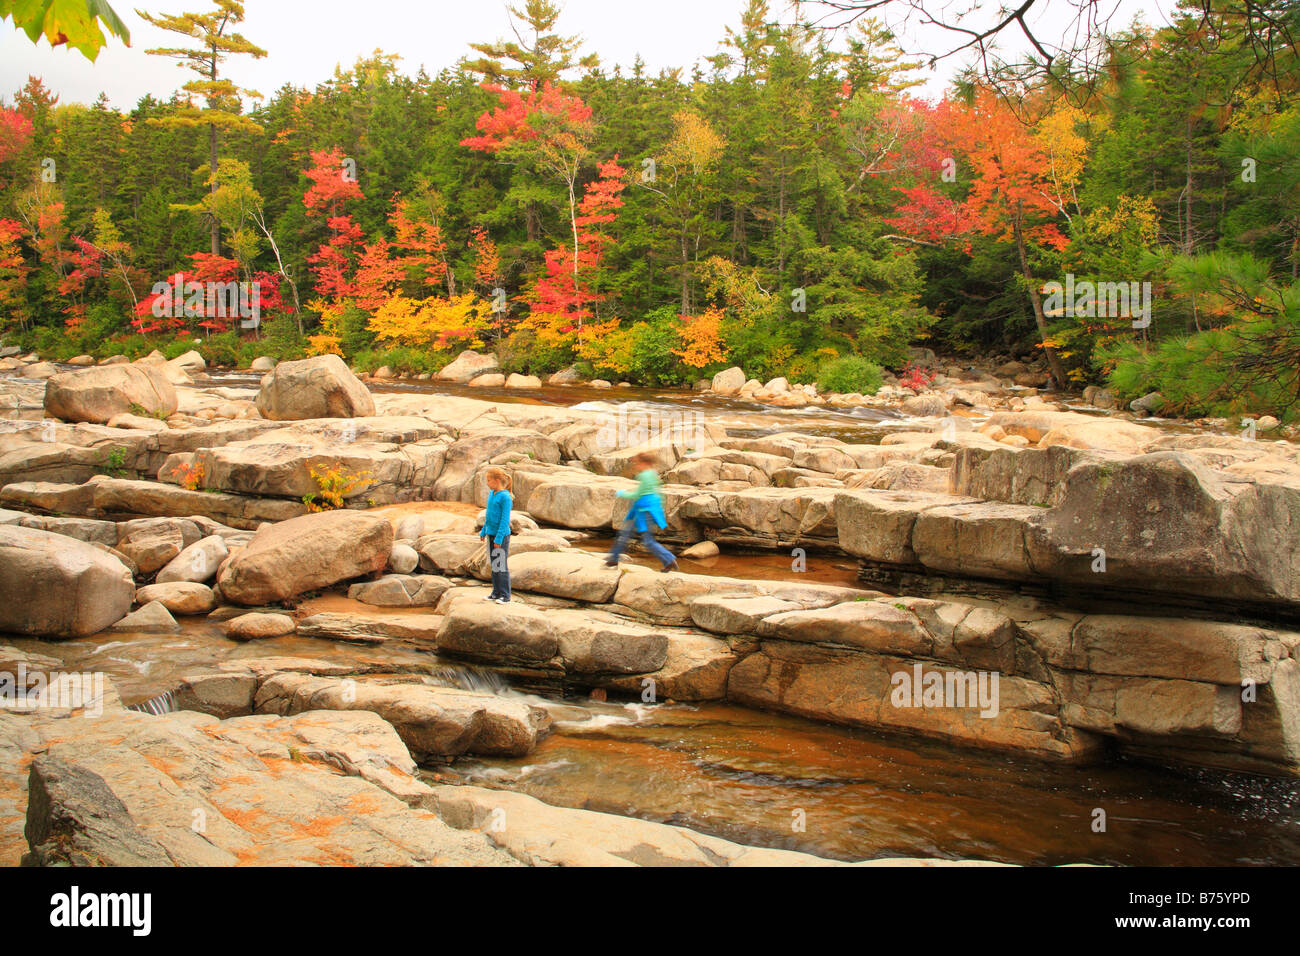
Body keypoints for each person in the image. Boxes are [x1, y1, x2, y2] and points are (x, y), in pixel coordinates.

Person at [606, 452, 678, 572]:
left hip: (644, 511)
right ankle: (613, 558)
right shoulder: (653, 474)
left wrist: (622, 493)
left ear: (644, 463)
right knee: (624, 534)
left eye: (637, 463)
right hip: (643, 509)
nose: (635, 466)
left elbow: (638, 494)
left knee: (646, 540)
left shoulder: (645, 476)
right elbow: (656, 494)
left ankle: (669, 559)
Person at [480, 466, 513, 604]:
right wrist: (483, 530)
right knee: (494, 566)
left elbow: (504, 520)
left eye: (489, 480)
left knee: (500, 566)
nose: (487, 483)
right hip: (491, 534)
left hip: (501, 537)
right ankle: (496, 592)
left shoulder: (505, 497)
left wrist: (499, 538)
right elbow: (489, 515)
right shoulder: (491, 494)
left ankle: (505, 595)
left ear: (497, 480)